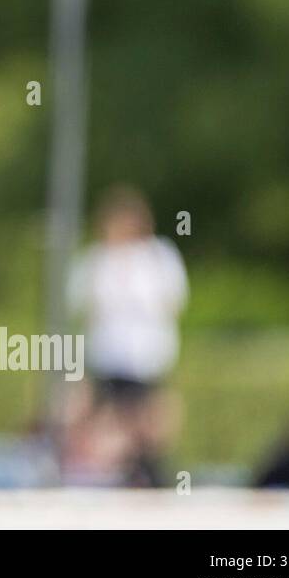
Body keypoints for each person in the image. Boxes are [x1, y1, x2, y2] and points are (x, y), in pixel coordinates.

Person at [67, 184, 188, 487]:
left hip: (145, 358)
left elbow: (171, 302)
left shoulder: (158, 257)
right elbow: (83, 304)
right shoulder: (96, 259)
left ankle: (150, 477)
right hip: (108, 358)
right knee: (109, 425)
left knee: (145, 424)